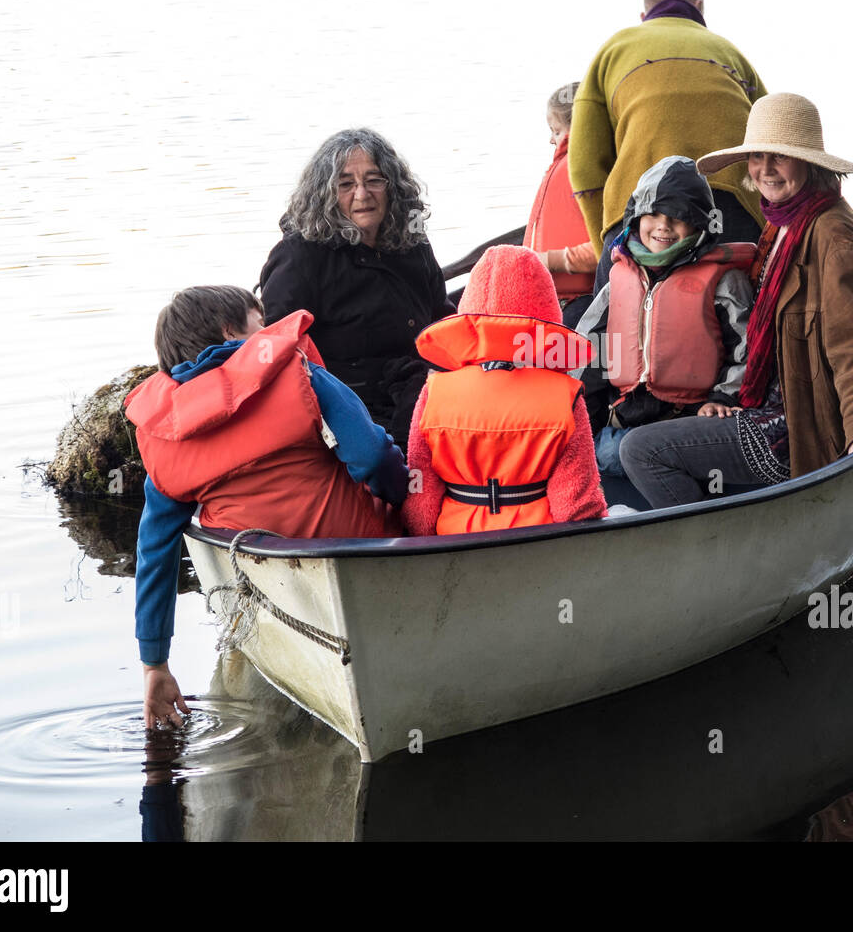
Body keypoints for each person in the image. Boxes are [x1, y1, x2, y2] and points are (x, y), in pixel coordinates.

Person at [618, 93, 853, 507]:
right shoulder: (784, 224)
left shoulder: (834, 235)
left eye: (779, 157)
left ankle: (704, 549)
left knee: (640, 450)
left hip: (794, 428)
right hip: (768, 399)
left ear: (809, 163)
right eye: (757, 156)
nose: (764, 169)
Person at [125, 285, 408, 729]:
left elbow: (155, 551)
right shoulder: (299, 372)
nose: (270, 331)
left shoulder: (166, 435)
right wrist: (404, 499)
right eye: (261, 322)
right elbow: (372, 457)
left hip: (270, 584)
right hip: (363, 554)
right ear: (231, 331)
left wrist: (154, 665)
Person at [569, 0, 768, 291]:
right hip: (732, 210)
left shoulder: (613, 50)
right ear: (698, 7)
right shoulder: (729, 52)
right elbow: (775, 139)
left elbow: (583, 168)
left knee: (614, 333)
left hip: (643, 215)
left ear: (644, 14)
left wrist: (608, 241)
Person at [258, 129, 454, 445]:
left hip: (427, 390)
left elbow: (441, 318)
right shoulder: (300, 256)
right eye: (346, 184)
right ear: (325, 193)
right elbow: (277, 349)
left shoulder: (411, 240)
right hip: (353, 411)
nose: (362, 194)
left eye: (374, 180)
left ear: (393, 187)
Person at [403, 245, 608, 535]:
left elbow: (420, 494)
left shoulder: (433, 392)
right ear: (546, 310)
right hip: (535, 543)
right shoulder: (567, 396)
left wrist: (421, 545)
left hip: (454, 543)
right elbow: (575, 504)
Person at [574, 156, 753, 480]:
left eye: (677, 218)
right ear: (635, 217)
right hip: (626, 419)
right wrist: (581, 413)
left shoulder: (725, 282)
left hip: (691, 419)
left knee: (622, 455)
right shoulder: (620, 278)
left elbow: (745, 348)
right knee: (601, 452)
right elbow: (590, 348)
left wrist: (722, 398)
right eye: (652, 215)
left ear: (700, 223)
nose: (663, 226)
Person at [523, 82, 597, 328]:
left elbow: (605, 246)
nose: (551, 140)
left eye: (556, 131)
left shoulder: (584, 172)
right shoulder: (566, 167)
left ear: (578, 128)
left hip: (580, 302)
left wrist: (546, 260)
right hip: (553, 300)